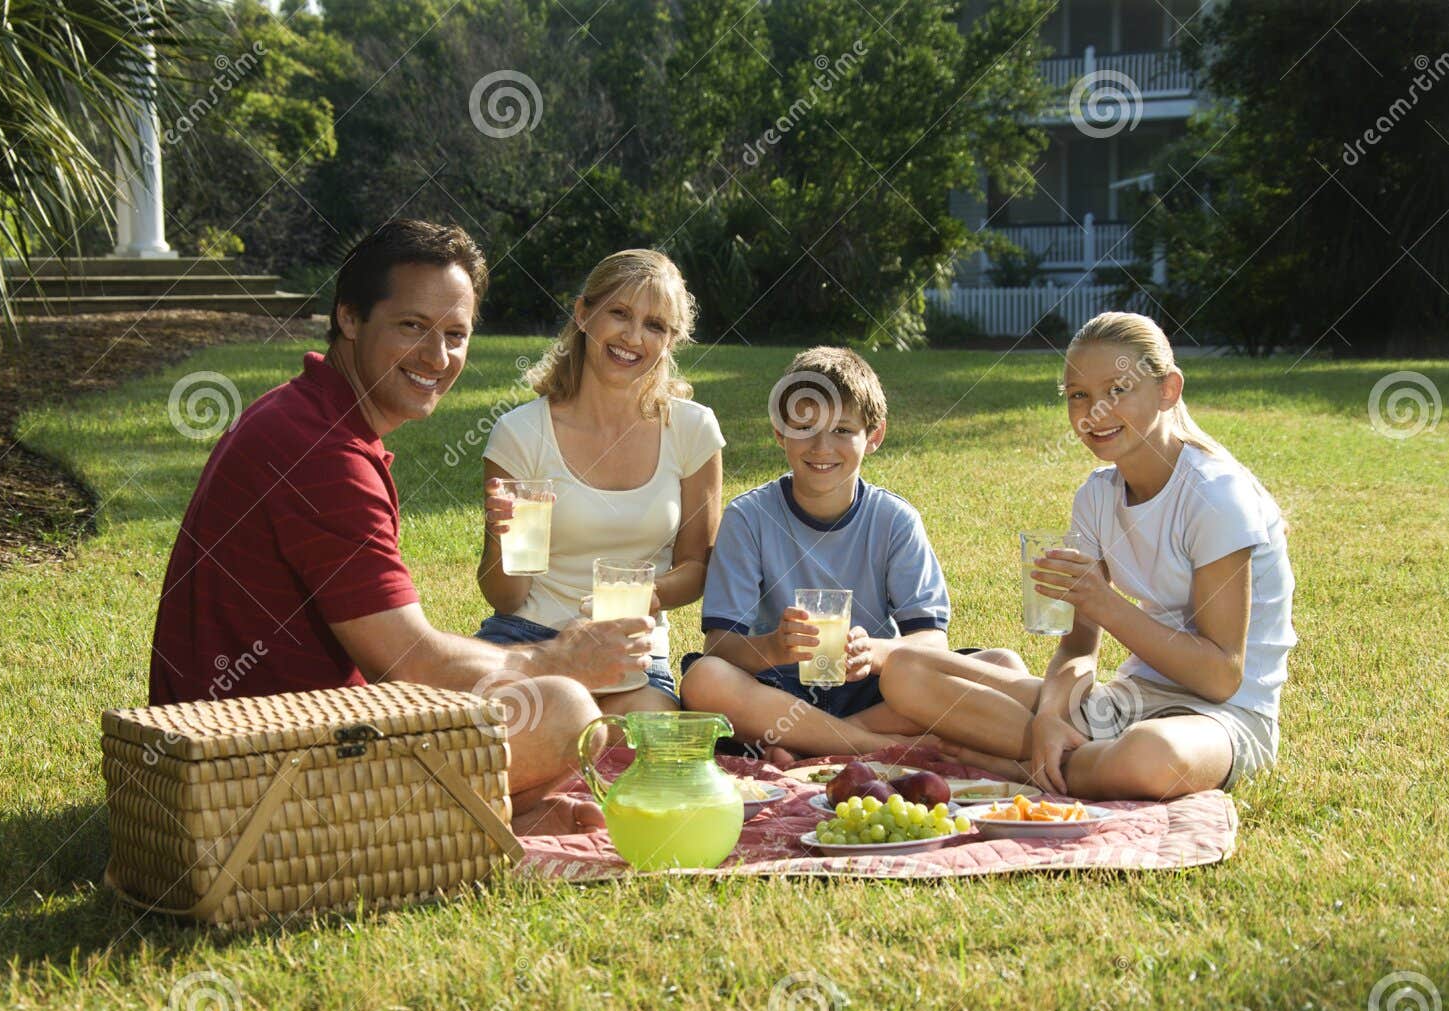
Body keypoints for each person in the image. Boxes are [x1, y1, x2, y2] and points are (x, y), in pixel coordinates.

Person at [148, 219, 652, 835]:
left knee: (529, 697)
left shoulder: (303, 414)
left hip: (249, 738)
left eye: (455, 335)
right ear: (351, 318)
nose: (437, 358)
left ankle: (499, 814)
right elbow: (408, 661)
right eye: (412, 327)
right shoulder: (323, 455)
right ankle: (460, 822)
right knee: (563, 708)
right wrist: (559, 656)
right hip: (248, 769)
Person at [879, 312, 1296, 800]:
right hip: (1123, 703)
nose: (1094, 412)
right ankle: (1051, 752)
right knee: (908, 672)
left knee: (1150, 758)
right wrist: (1051, 720)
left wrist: (1104, 603)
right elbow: (1078, 649)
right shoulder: (1097, 497)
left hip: (1224, 717)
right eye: (1078, 395)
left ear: (1168, 390)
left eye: (1118, 390)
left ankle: (1024, 768)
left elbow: (1222, 676)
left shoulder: (1216, 496)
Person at [678, 346, 1023, 760]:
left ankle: (813, 743)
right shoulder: (748, 517)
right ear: (779, 432)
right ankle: (877, 747)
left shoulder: (894, 519)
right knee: (704, 680)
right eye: (804, 427)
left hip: (872, 694)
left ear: (873, 436)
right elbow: (722, 645)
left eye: (843, 430)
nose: (822, 447)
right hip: (779, 692)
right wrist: (774, 648)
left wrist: (875, 654)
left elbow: (931, 644)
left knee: (1002, 666)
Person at [477, 249, 725, 713]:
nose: (633, 337)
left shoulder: (692, 430)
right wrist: (500, 538)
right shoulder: (520, 433)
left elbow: (697, 565)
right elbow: (507, 599)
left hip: (629, 651)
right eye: (619, 313)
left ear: (671, 341)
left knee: (639, 741)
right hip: (530, 643)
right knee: (503, 732)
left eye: (655, 325)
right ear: (583, 313)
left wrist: (648, 596)